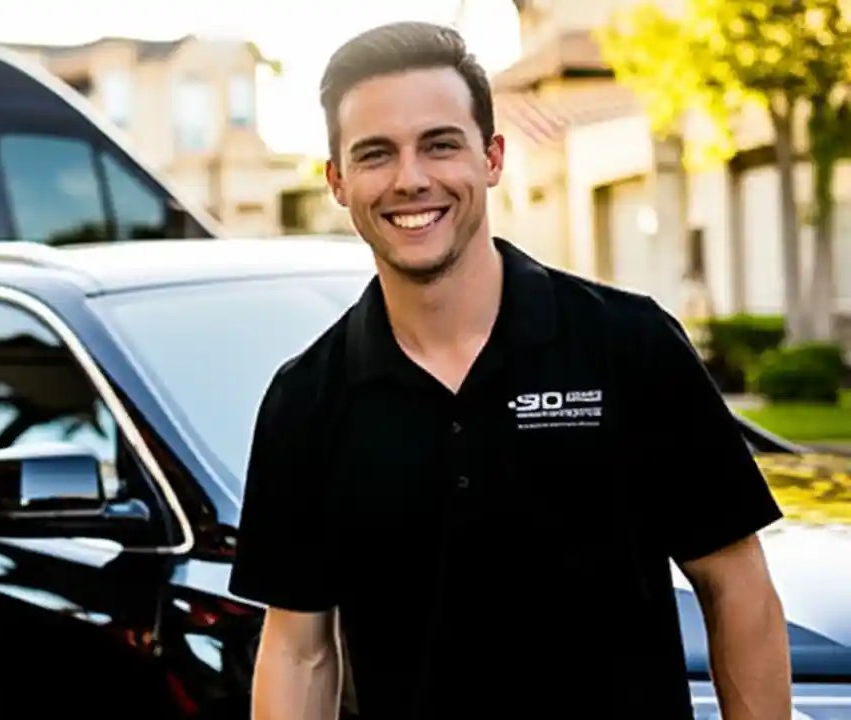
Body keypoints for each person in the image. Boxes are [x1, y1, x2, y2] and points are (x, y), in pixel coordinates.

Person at [227, 20, 792, 720]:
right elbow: (300, 652)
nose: (411, 179)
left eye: (440, 145)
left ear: (491, 157)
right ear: (338, 182)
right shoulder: (306, 398)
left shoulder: (629, 346)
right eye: (376, 154)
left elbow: (737, 589)